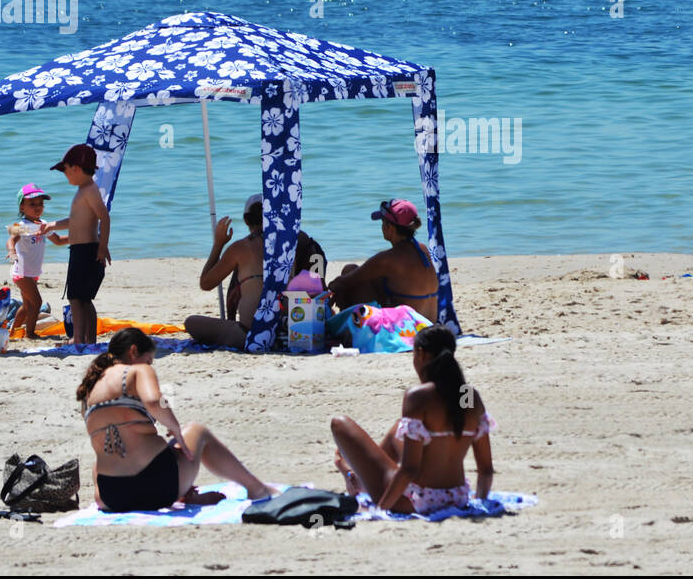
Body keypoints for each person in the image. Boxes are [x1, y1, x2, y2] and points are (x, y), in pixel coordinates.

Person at [78, 328, 275, 512]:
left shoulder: (88, 389)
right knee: (197, 431)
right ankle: (256, 489)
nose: (148, 366)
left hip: (111, 496)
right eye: (148, 360)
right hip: (157, 485)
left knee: (102, 455)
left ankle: (184, 494)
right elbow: (155, 401)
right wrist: (175, 427)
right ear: (133, 351)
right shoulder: (137, 370)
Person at [331, 324, 494, 515]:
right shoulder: (469, 396)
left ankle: (354, 477)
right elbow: (486, 470)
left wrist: (381, 510)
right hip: (458, 498)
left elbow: (409, 469)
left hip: (419, 501)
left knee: (339, 423)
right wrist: (479, 503)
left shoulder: (418, 396)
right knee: (397, 429)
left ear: (421, 353)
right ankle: (359, 480)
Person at [184, 194, 328, 347]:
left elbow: (206, 283)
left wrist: (218, 244)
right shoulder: (291, 240)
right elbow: (314, 251)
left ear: (246, 220)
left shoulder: (240, 248)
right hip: (291, 328)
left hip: (250, 333)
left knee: (191, 322)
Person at [40, 144, 110, 345]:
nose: (65, 175)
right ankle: (88, 339)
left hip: (86, 250)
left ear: (77, 168)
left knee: (77, 298)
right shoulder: (83, 191)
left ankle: (79, 339)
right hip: (81, 249)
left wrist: (102, 246)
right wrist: (53, 225)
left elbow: (104, 217)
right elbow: (76, 221)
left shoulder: (89, 190)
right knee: (83, 298)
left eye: (65, 170)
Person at [327, 198, 439, 321]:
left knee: (349, 271)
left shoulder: (388, 259)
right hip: (428, 324)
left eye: (382, 222)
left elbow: (344, 282)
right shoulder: (423, 249)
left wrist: (329, 292)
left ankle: (349, 329)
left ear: (390, 227)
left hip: (407, 330)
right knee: (374, 279)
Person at [5, 184, 68, 339]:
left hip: (32, 273)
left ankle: (13, 332)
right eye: (32, 204)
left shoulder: (44, 224)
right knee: (37, 302)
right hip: (22, 272)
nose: (37, 207)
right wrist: (12, 251)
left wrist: (78, 237)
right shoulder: (21, 225)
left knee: (27, 306)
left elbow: (58, 240)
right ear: (22, 207)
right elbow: (10, 241)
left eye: (40, 204)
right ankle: (30, 334)